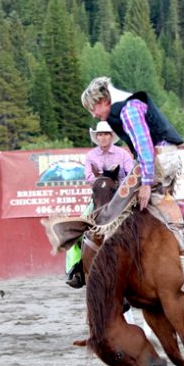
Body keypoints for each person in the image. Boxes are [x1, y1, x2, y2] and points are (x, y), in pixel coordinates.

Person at [80, 76, 183, 211]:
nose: (93, 115)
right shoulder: (128, 106)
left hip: (160, 158)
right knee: (131, 202)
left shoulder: (128, 111)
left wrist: (146, 184)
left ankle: (177, 227)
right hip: (163, 157)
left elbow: (144, 146)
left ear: (103, 101)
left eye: (93, 108)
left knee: (128, 203)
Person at [65, 121, 135, 288]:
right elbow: (89, 176)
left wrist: (117, 181)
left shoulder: (122, 154)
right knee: (78, 230)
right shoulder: (91, 155)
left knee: (140, 223)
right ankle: (77, 268)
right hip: (98, 198)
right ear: (97, 137)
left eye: (106, 134)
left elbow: (131, 172)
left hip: (121, 197)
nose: (103, 137)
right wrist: (103, 178)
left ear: (112, 137)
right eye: (100, 134)